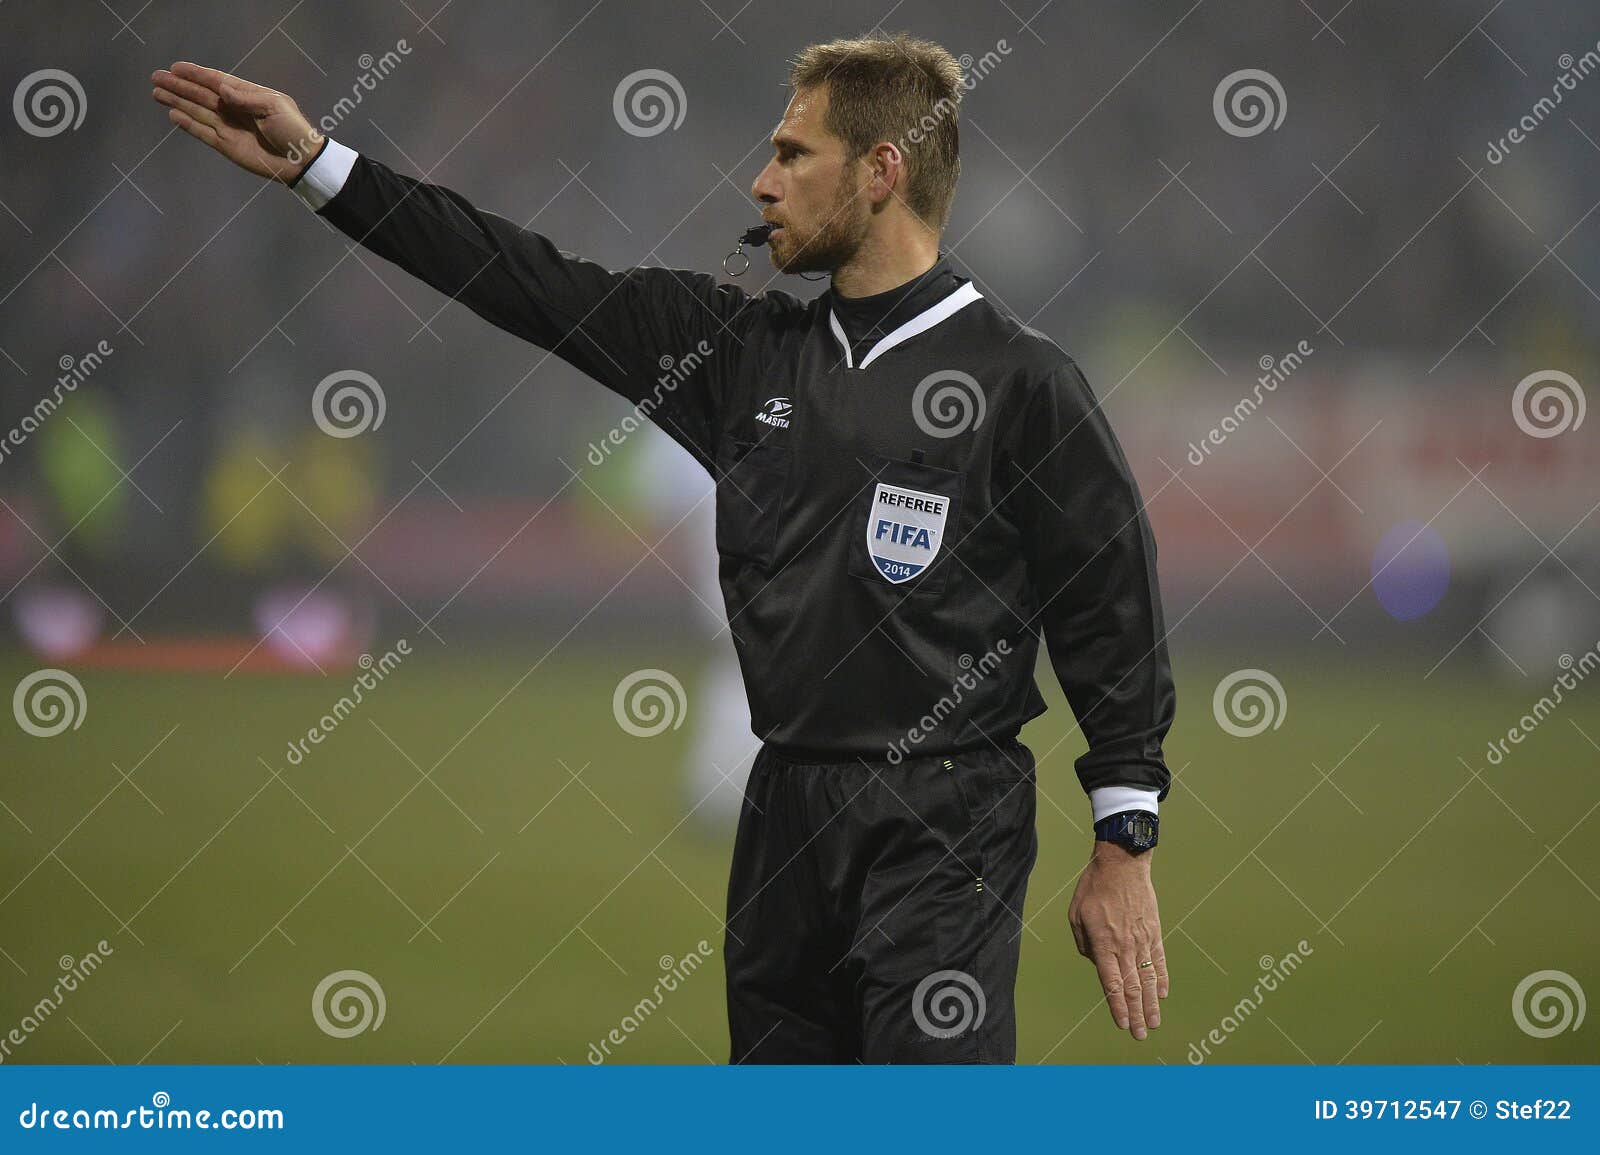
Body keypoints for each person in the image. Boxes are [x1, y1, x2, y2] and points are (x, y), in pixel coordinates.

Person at [151, 30, 1177, 1063]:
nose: (760, 182)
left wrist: (1122, 839)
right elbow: (525, 279)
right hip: (783, 814)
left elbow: (1110, 608)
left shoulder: (1020, 382)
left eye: (791, 155)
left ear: (881, 170)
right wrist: (323, 169)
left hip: (943, 819)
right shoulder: (736, 355)